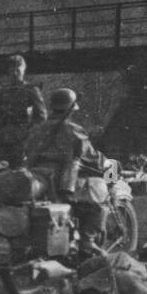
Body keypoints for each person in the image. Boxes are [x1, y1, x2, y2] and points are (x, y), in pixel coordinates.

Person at [25, 88, 107, 251]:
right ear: (71, 109)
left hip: (36, 177)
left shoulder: (36, 129)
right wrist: (107, 163)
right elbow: (90, 156)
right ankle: (88, 239)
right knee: (97, 198)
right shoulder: (73, 129)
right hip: (61, 179)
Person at [0, 54, 46, 168]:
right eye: (12, 70)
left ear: (23, 70)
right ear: (8, 71)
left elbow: (41, 117)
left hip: (22, 141)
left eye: (18, 70)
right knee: (1, 173)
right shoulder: (3, 91)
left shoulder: (31, 90)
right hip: (3, 141)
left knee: (20, 174)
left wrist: (29, 135)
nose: (15, 73)